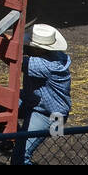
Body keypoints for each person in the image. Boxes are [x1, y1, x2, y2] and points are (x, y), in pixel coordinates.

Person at [18, 24, 71, 165]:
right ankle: (15, 136)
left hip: (51, 116)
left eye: (29, 44)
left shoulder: (47, 65)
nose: (25, 46)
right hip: (35, 101)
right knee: (1, 101)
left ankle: (20, 141)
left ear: (37, 49)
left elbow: (14, 60)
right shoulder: (53, 55)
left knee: (20, 156)